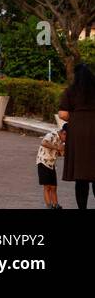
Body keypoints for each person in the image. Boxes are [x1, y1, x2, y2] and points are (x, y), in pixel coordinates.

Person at [58, 63, 95, 209]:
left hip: (78, 133)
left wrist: (76, 117)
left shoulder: (71, 91)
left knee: (81, 176)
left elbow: (63, 114)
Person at [37, 123, 66, 209]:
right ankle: (49, 206)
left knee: (54, 187)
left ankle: (56, 204)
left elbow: (61, 153)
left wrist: (62, 151)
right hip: (43, 162)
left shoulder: (62, 141)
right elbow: (43, 142)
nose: (66, 140)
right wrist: (57, 148)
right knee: (47, 186)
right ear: (63, 133)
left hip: (52, 164)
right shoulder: (51, 135)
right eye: (66, 137)